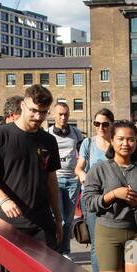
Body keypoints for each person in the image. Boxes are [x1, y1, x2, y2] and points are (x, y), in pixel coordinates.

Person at [0, 83, 62, 251]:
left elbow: (51, 181)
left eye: (43, 112)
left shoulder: (49, 140)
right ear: (23, 105)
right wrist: (4, 199)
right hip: (8, 223)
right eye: (33, 111)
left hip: (42, 224)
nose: (38, 117)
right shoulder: (0, 135)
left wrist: (58, 219)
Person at [81, 120, 137, 272]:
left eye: (130, 139)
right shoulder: (99, 169)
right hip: (109, 234)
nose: (125, 144)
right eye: (120, 139)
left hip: (136, 236)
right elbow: (89, 202)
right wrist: (113, 194)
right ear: (112, 140)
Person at [75, 108, 115, 272]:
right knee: (96, 243)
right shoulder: (88, 143)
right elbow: (78, 168)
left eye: (105, 124)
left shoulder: (116, 143)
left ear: (112, 124)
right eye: (97, 123)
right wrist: (84, 176)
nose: (101, 127)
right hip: (92, 197)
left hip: (114, 198)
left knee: (114, 240)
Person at [47, 100, 84, 257]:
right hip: (55, 179)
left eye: (66, 114)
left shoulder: (76, 133)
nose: (63, 117)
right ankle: (56, 249)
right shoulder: (47, 133)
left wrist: (80, 172)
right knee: (59, 218)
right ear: (54, 115)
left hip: (72, 180)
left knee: (68, 220)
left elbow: (83, 153)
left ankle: (65, 251)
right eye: (60, 114)